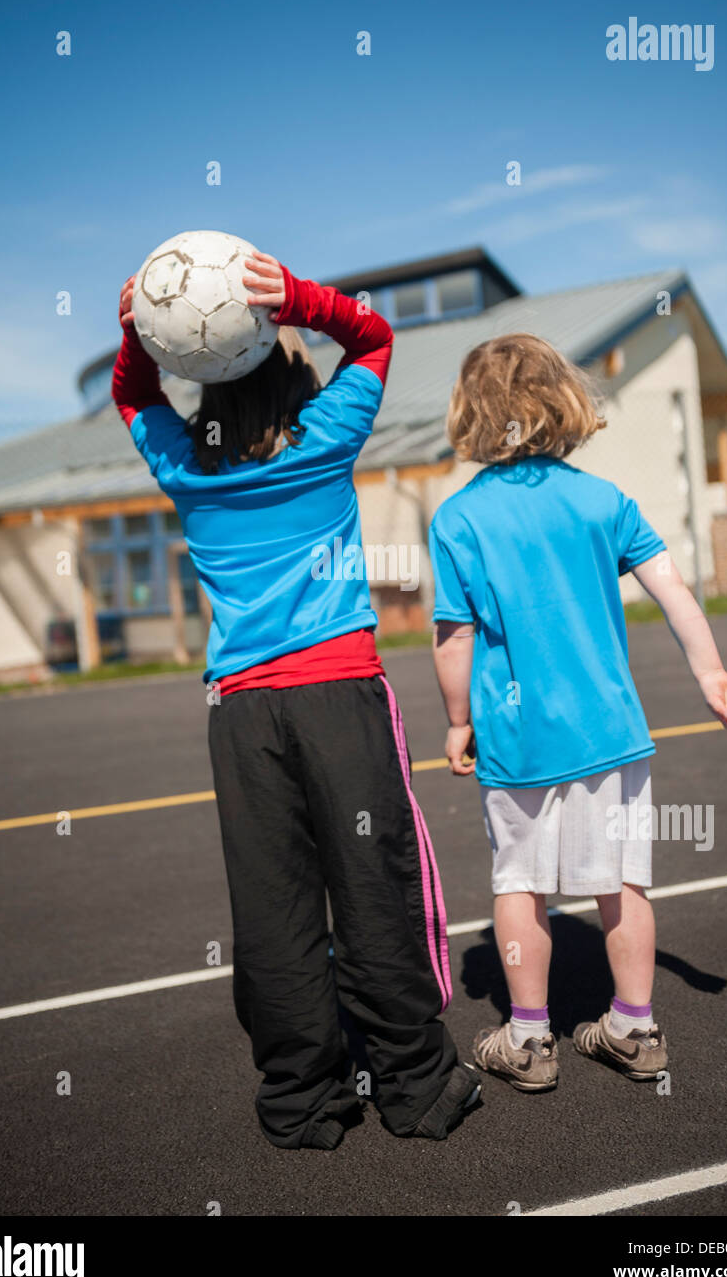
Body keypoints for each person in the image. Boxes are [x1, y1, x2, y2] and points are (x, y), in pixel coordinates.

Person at [112, 251, 480, 1148]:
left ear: (201, 403)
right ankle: (416, 1086)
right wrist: (304, 298)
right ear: (292, 381)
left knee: (271, 901)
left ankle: (301, 1101)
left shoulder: (183, 469)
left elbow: (133, 396)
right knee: (375, 884)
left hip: (240, 712)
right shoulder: (328, 438)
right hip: (336, 694)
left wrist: (135, 330)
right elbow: (375, 337)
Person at [428, 333, 727, 1092]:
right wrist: (710, 674)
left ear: (473, 414)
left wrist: (455, 720)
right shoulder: (602, 500)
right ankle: (633, 1027)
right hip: (610, 731)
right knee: (622, 885)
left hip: (517, 740)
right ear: (560, 402)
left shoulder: (459, 519)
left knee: (519, 885)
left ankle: (530, 1040)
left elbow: (452, 636)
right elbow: (671, 587)